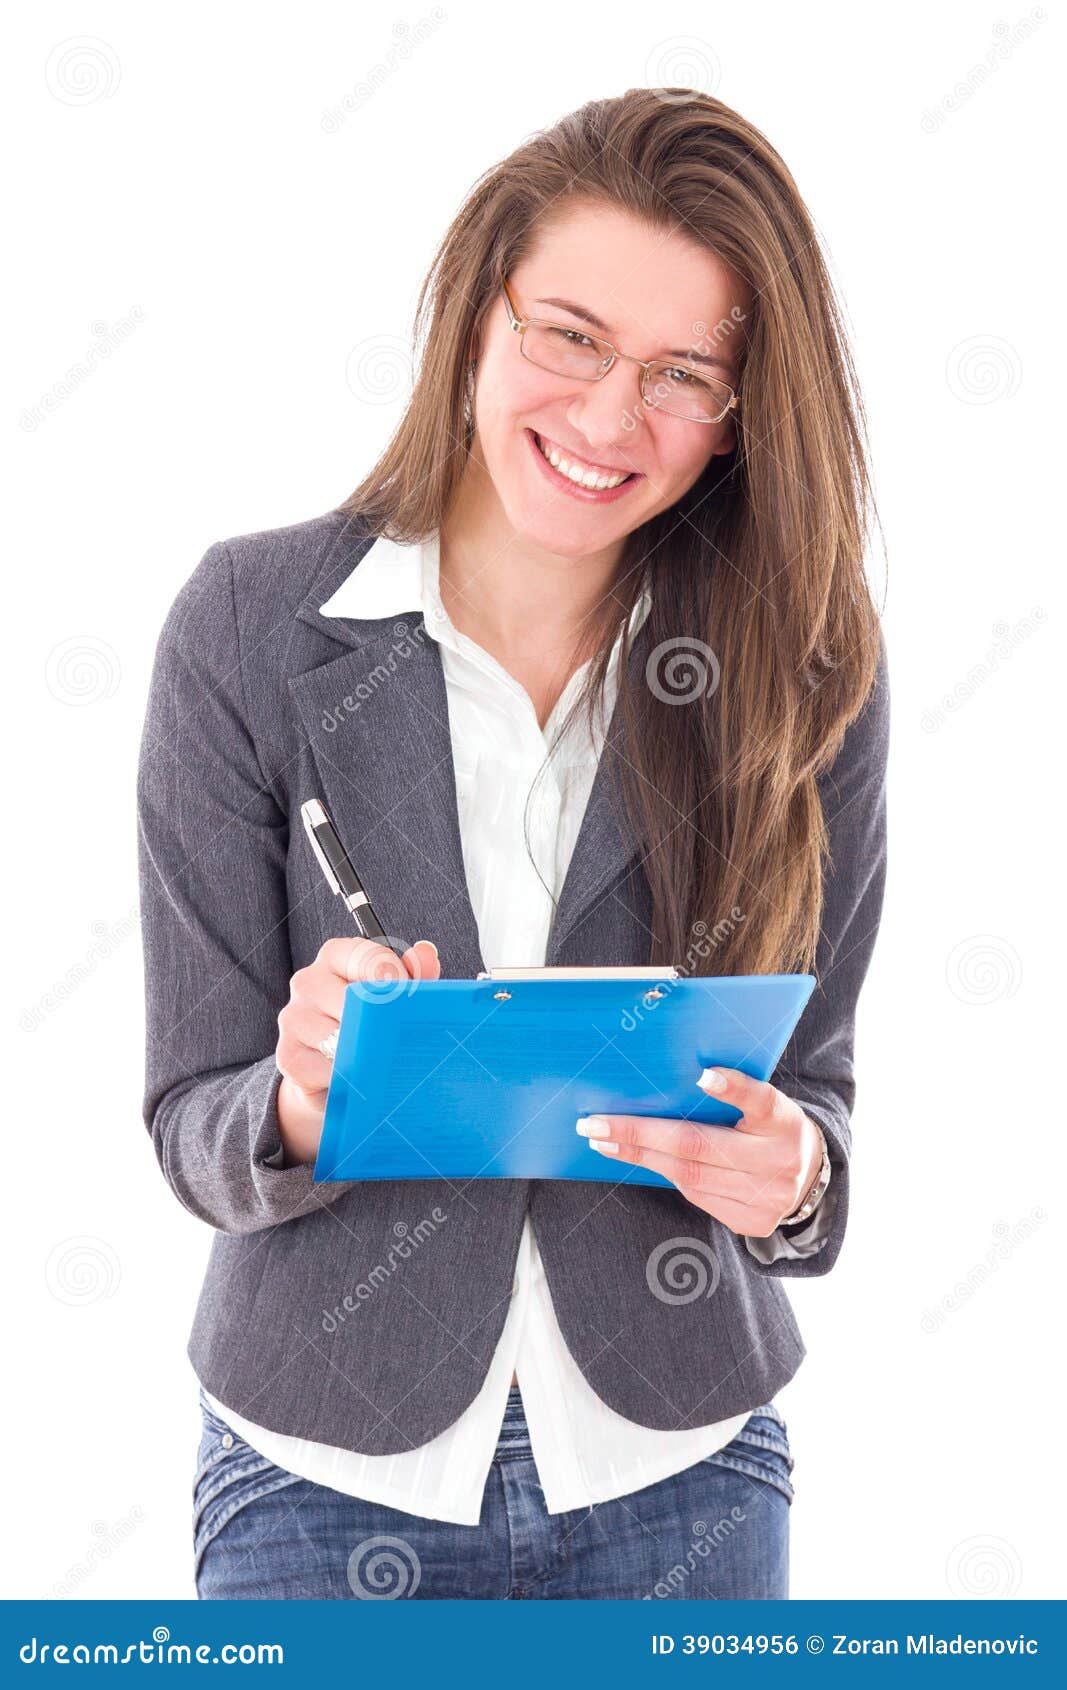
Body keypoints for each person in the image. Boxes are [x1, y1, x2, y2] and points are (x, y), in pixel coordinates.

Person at [138, 86, 889, 1601]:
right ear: (482, 315)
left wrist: (791, 1173)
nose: (612, 420)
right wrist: (293, 1098)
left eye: (687, 374)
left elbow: (818, 1114)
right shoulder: (251, 627)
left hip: (682, 1472)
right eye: (571, 336)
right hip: (317, 1471)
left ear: (747, 414)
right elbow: (187, 1125)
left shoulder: (802, 664)